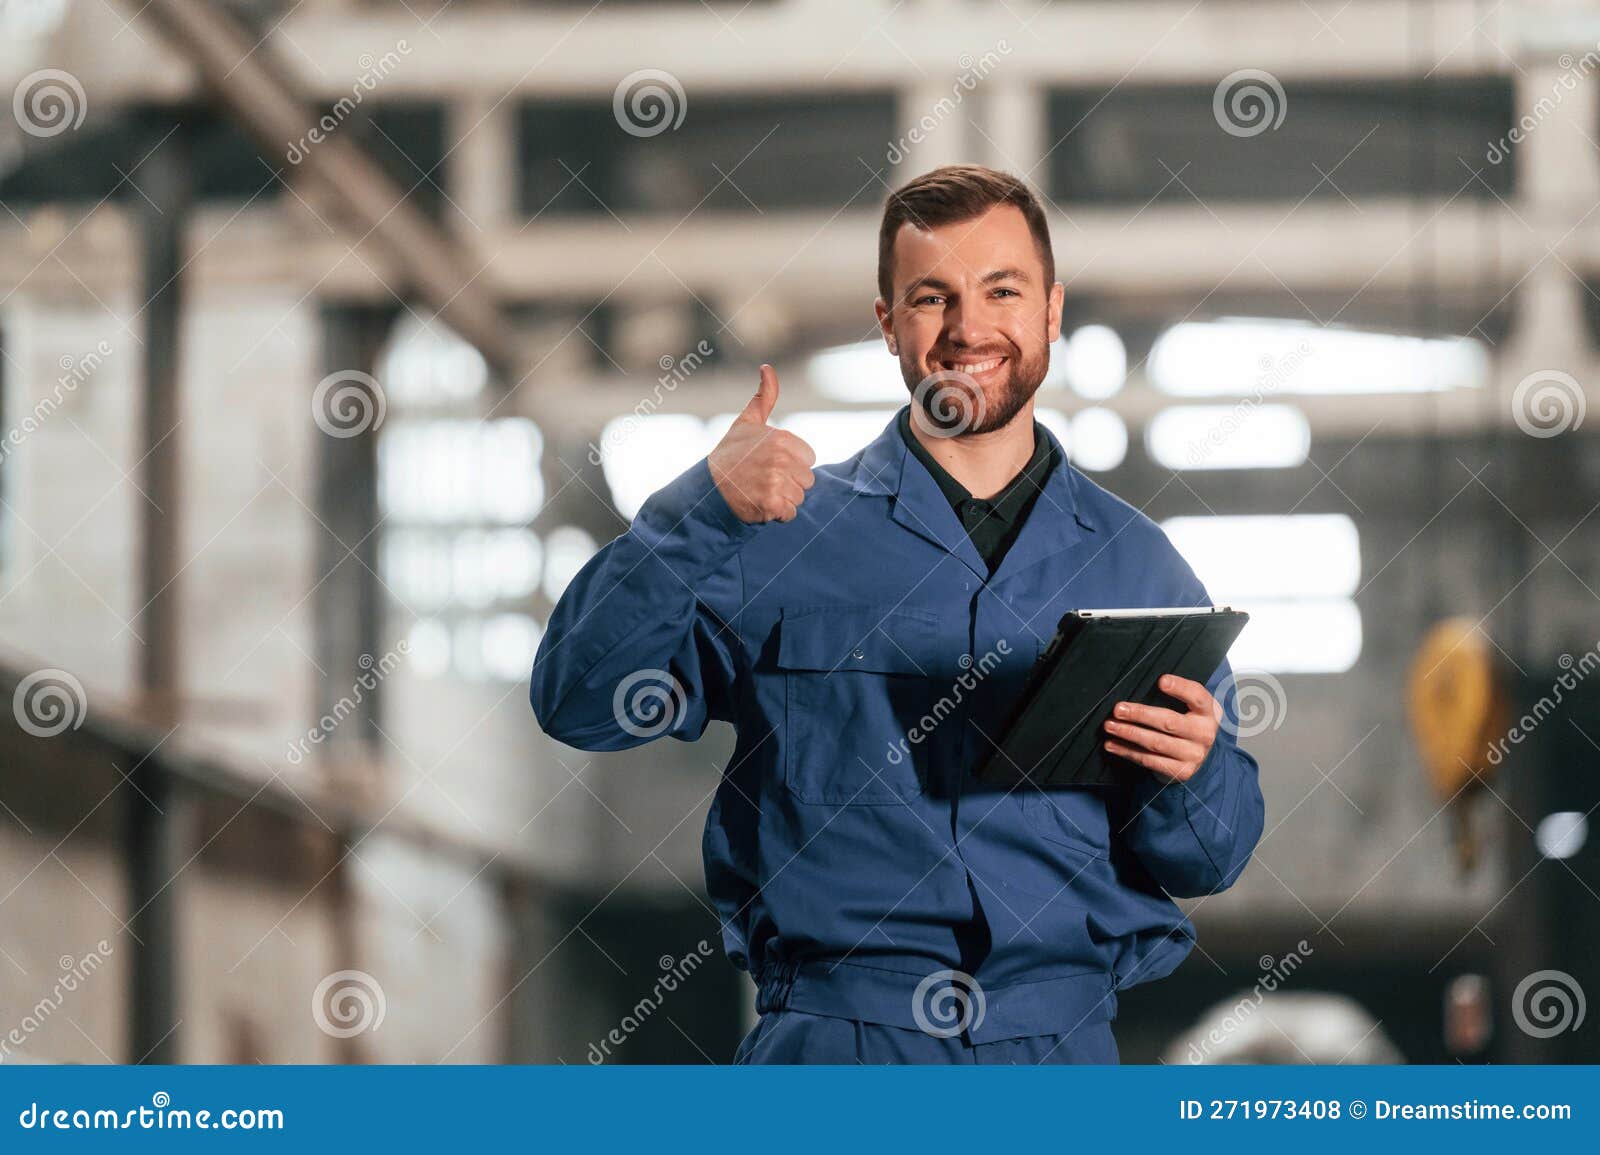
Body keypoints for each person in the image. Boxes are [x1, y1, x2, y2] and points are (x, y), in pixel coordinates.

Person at [531, 164, 1266, 1064]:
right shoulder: (774, 535)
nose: (968, 328)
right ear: (888, 324)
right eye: (932, 297)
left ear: (1051, 310)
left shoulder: (1141, 568)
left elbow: (1211, 859)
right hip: (840, 1050)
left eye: (1003, 290)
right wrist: (699, 510)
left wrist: (1189, 772)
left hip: (1056, 1053)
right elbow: (577, 696)